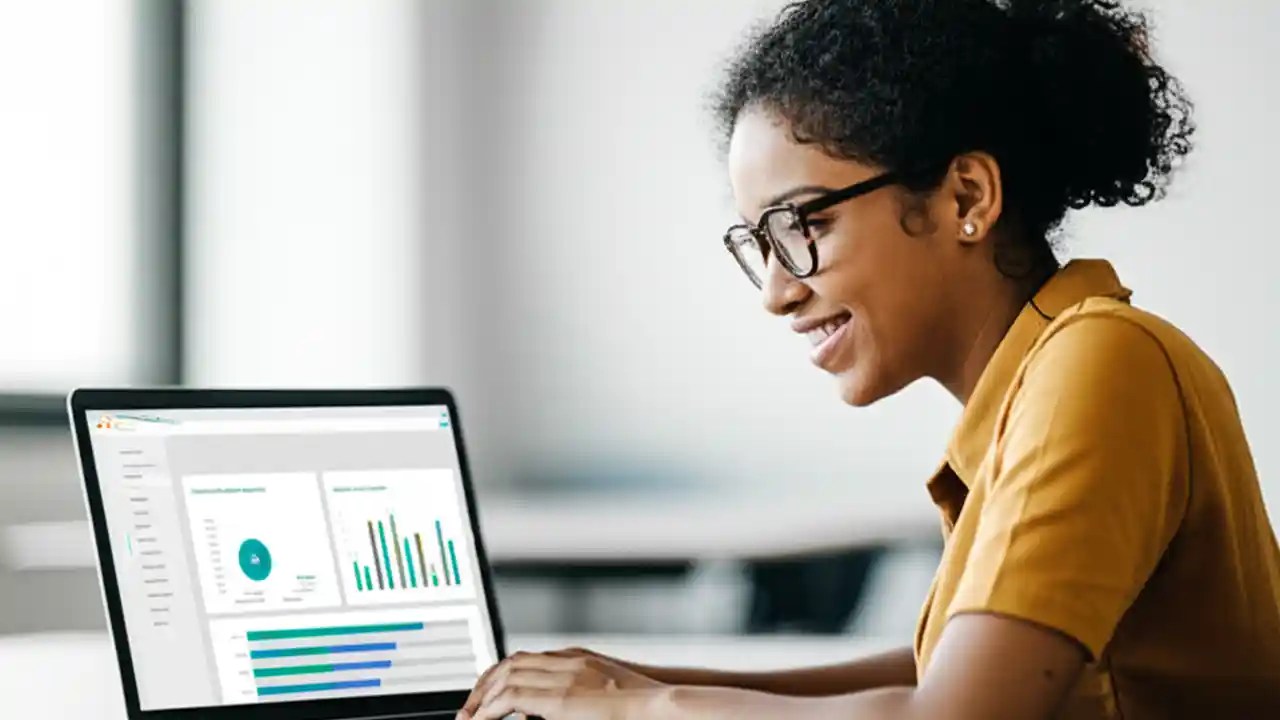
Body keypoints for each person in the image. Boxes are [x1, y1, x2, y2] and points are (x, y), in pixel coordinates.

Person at [458, 0, 1280, 718]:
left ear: (966, 198)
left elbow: (954, 714)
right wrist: (636, 682)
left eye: (804, 225)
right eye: (759, 243)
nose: (777, 292)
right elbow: (942, 670)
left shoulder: (1099, 362)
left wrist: (639, 708)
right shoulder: (1043, 379)